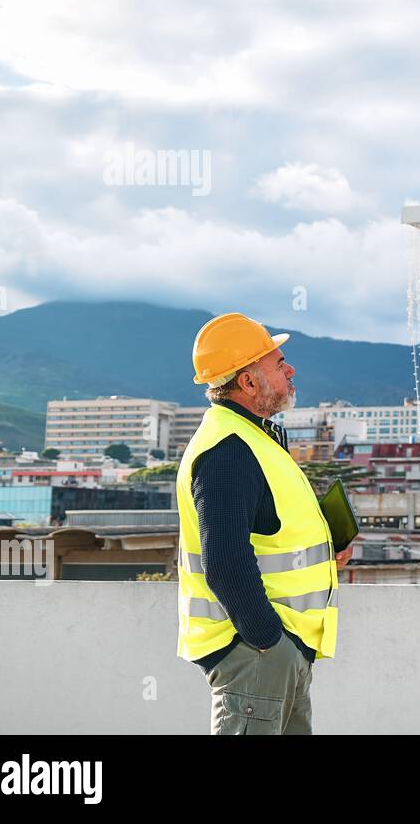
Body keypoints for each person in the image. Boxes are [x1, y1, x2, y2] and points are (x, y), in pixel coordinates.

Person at [175, 312, 351, 734]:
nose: (290, 370)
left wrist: (328, 554)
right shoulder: (229, 451)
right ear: (249, 383)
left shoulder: (253, 438)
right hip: (257, 653)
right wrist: (270, 643)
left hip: (276, 652)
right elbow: (224, 562)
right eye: (278, 363)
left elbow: (268, 534)